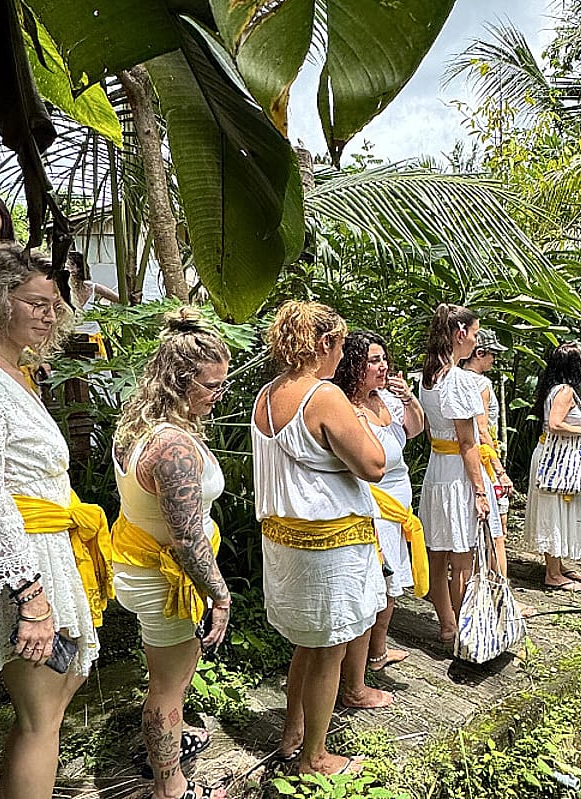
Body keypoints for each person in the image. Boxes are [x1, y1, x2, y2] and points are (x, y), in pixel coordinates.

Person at [0, 248, 113, 799]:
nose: (49, 315)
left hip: (47, 547)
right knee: (42, 717)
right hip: (22, 559)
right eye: (36, 302)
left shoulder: (13, 371)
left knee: (56, 699)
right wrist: (29, 598)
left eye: (55, 305)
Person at [250, 301, 387, 776]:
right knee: (329, 648)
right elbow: (373, 465)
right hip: (328, 542)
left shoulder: (267, 394)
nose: (343, 354)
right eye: (341, 345)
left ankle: (292, 733)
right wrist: (360, 419)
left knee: (307, 644)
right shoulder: (323, 396)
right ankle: (315, 756)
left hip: (284, 539)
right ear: (325, 343)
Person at [111, 307, 232, 799]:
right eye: (212, 385)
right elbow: (186, 539)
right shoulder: (173, 449)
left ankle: (170, 743)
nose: (219, 393)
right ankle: (170, 784)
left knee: (170, 674)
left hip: (145, 563)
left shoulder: (138, 425)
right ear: (181, 382)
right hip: (166, 578)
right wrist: (220, 595)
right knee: (167, 684)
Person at [332, 332, 425, 687]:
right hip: (374, 505)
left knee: (392, 586)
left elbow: (415, 430)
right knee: (378, 587)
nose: (383, 366)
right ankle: (355, 674)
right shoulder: (345, 408)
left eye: (384, 359)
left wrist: (409, 399)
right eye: (374, 360)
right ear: (353, 366)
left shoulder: (387, 399)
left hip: (399, 502)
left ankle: (378, 652)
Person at [418, 304, 503, 642]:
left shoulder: (427, 377)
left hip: (437, 468)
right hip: (458, 475)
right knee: (463, 557)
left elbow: (431, 431)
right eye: (475, 334)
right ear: (460, 334)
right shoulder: (460, 380)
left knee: (438, 555)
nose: (476, 341)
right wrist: (481, 491)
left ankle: (447, 625)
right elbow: (468, 442)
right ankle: (466, 629)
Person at [526, 342, 581, 591]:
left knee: (558, 510)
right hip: (557, 461)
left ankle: (558, 564)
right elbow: (555, 424)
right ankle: (553, 573)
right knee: (553, 512)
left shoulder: (555, 389)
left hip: (556, 458)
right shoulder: (565, 391)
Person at [458, 327, 514, 574]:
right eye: (492, 354)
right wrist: (500, 471)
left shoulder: (454, 379)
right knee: (498, 530)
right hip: (484, 460)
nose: (494, 360)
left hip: (460, 460)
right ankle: (500, 587)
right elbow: (481, 429)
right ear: (479, 353)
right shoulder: (481, 383)